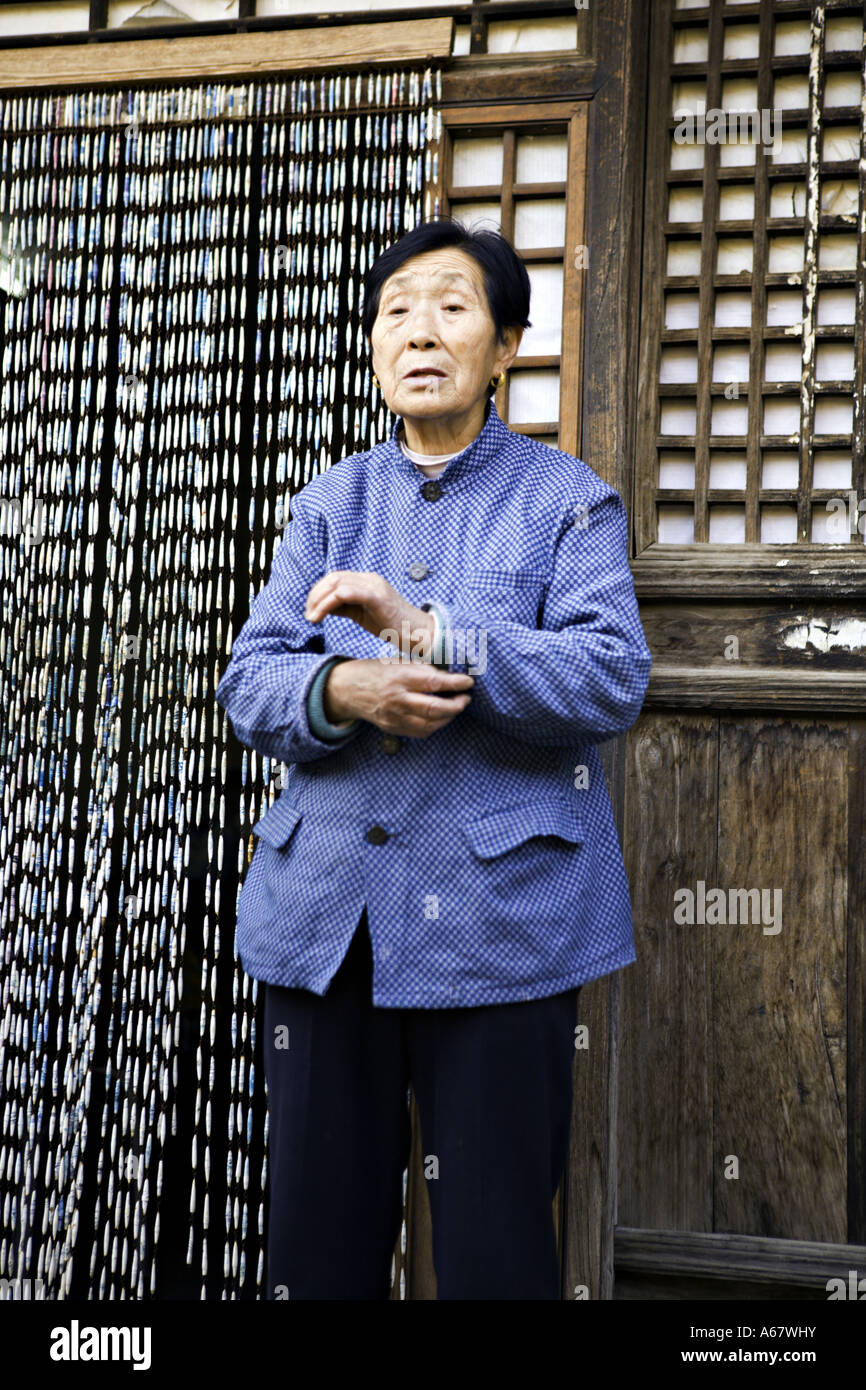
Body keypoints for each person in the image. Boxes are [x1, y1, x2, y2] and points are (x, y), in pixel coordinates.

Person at [215, 216, 652, 1300]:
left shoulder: (564, 502)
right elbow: (249, 680)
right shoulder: (327, 505)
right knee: (317, 1248)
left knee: (497, 1250)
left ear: (504, 345)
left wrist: (433, 635)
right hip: (329, 922)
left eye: (451, 307)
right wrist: (339, 687)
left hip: (499, 923)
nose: (419, 330)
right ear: (372, 345)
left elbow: (609, 678)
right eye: (396, 310)